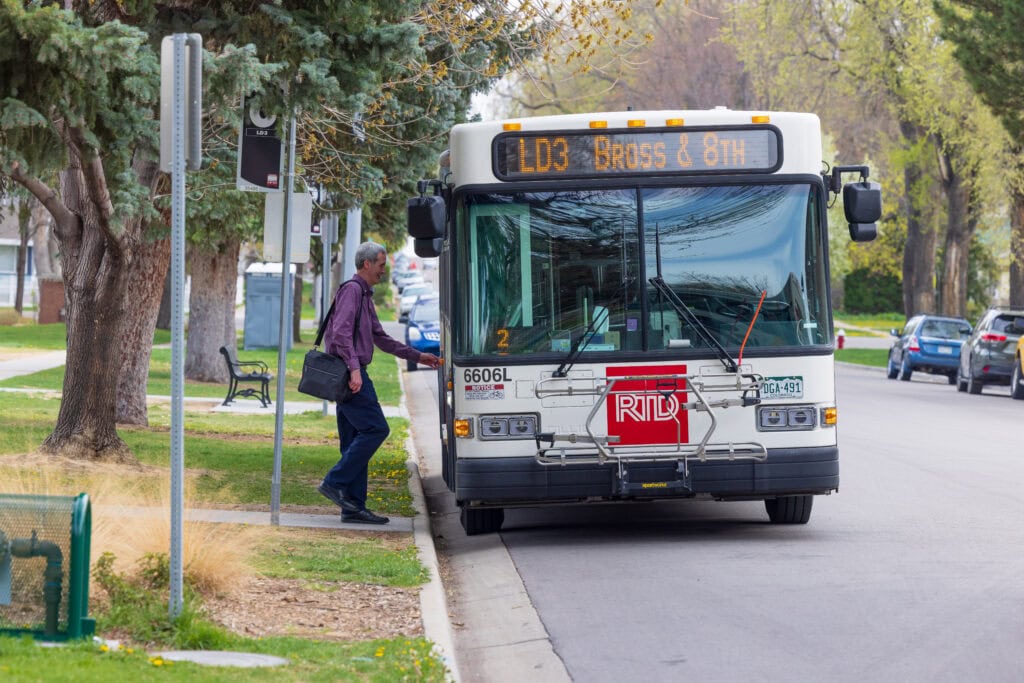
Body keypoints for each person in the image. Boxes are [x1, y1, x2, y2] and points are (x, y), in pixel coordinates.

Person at [318, 242, 440, 524]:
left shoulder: (364, 295)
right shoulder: (352, 291)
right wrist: (354, 369)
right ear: (366, 265)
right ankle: (335, 482)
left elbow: (381, 338)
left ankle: (353, 507)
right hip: (351, 375)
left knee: (353, 440)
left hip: (351, 373)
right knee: (375, 429)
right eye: (381, 265)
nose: (384, 271)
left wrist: (419, 356)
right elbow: (340, 333)